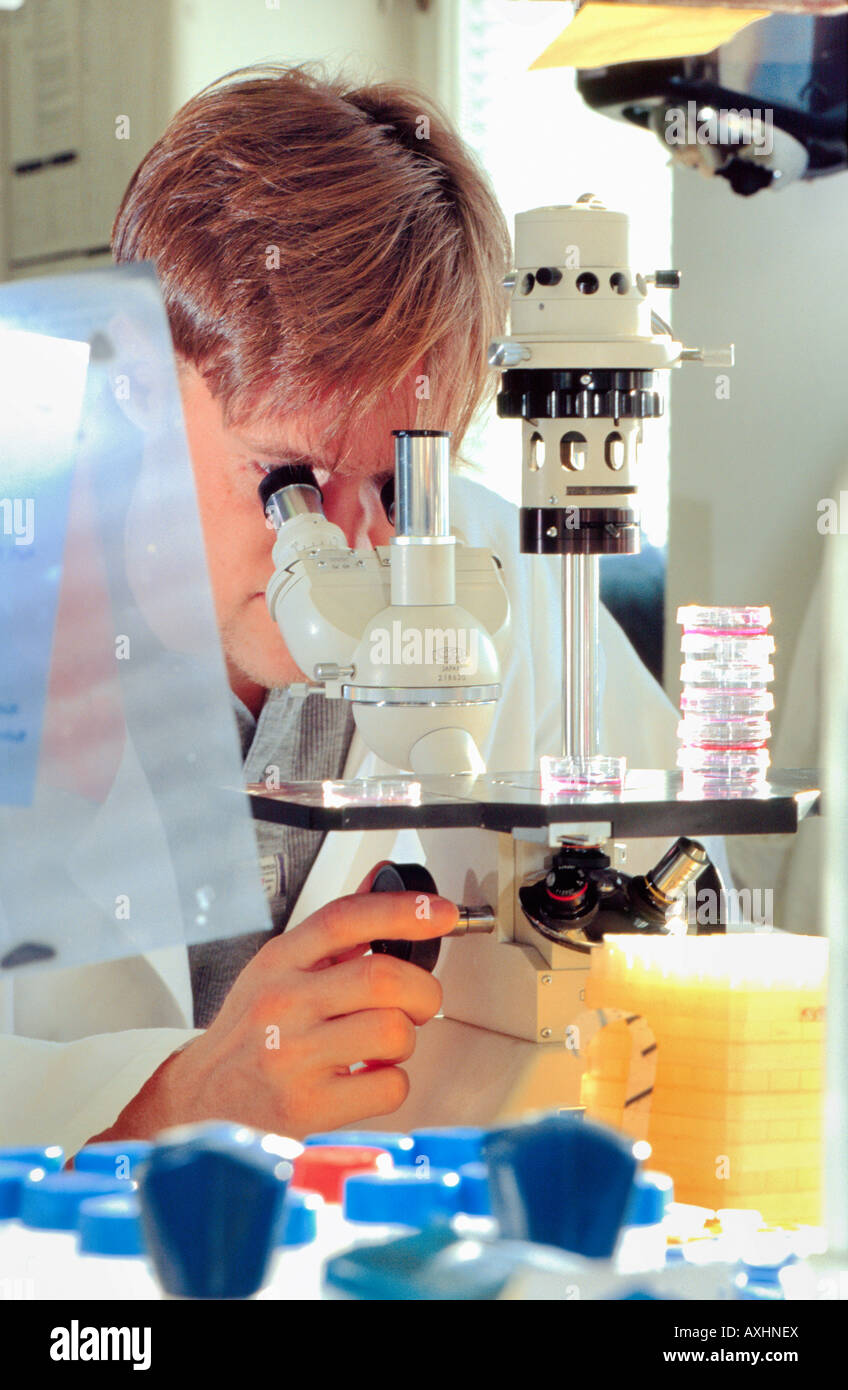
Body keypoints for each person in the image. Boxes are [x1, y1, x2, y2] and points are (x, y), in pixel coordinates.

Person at [0, 64, 692, 1153]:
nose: (352, 551)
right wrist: (171, 1105)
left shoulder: (506, 577)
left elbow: (694, 932)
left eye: (394, 485)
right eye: (283, 481)